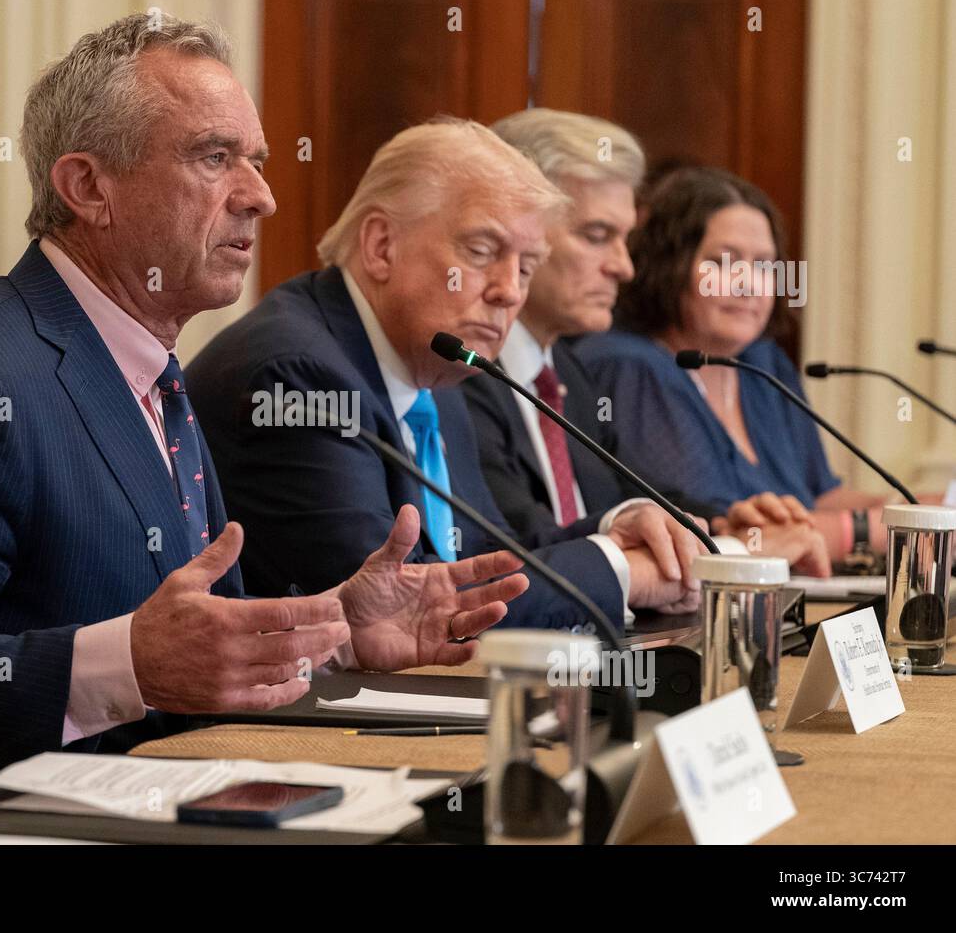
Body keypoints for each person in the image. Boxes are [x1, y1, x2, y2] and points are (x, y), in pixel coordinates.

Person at [0, 15, 525, 833]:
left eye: (253, 160)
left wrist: (333, 632)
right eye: (214, 158)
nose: (262, 193)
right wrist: (125, 666)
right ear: (88, 187)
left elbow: (199, 652)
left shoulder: (152, 370)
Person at [187, 118, 704, 633]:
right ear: (381, 246)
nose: (508, 292)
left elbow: (486, 556)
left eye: (525, 267)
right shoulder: (298, 377)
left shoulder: (436, 369)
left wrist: (617, 531)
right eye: (481, 253)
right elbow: (400, 610)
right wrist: (618, 569)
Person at [464, 110, 829, 576]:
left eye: (626, 239)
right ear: (515, 232)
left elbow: (627, 495)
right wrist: (735, 555)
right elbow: (521, 557)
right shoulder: (465, 371)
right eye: (597, 236)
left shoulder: (563, 372)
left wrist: (717, 523)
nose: (625, 267)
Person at [576, 165, 883, 561]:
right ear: (670, 266)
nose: (748, 282)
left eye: (763, 265)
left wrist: (914, 506)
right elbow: (737, 535)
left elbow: (823, 496)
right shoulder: (630, 367)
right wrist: (891, 527)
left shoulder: (763, 363)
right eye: (723, 262)